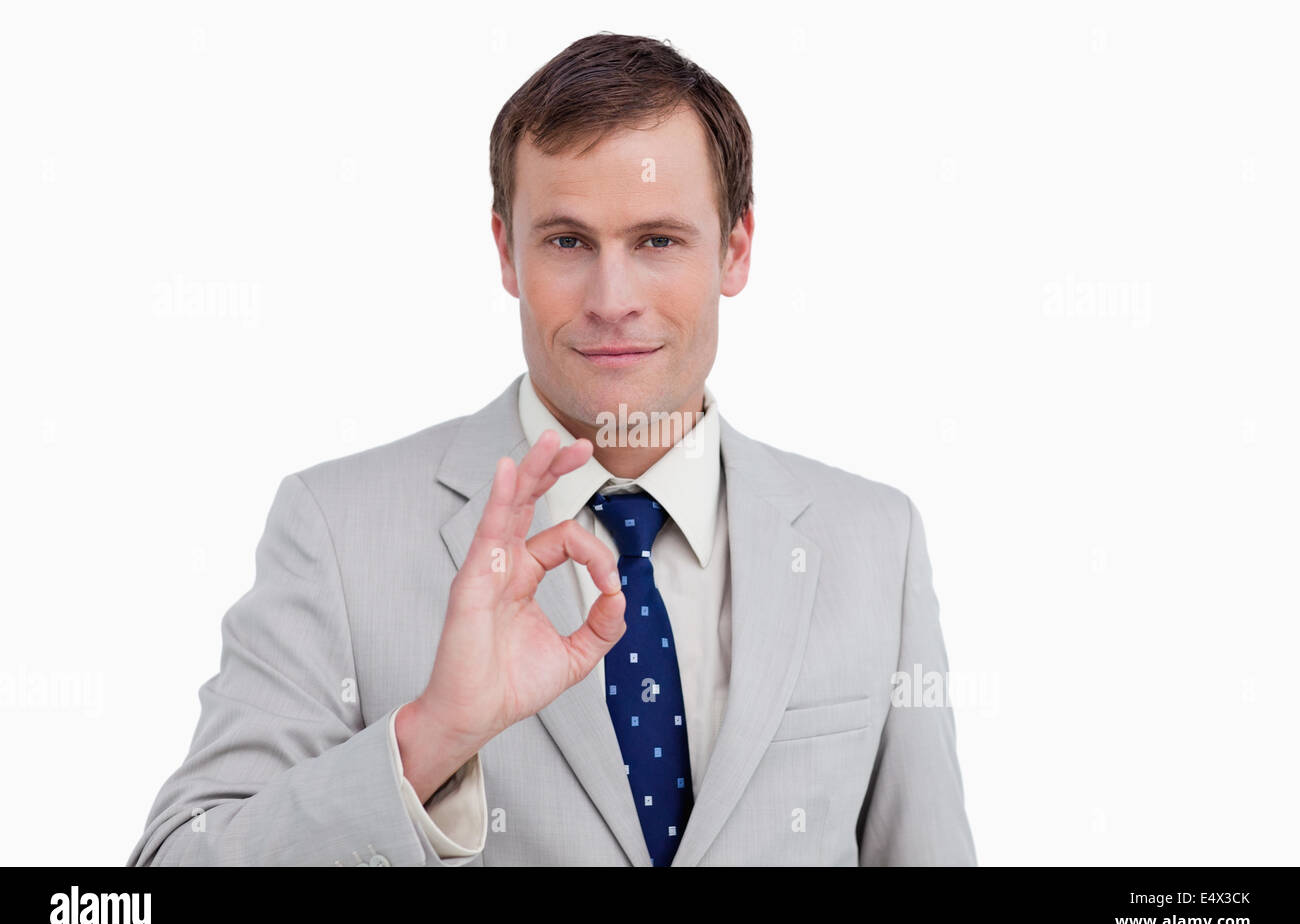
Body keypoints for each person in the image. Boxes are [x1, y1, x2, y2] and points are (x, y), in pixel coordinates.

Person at [128, 31, 976, 867]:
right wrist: (428, 741)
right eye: (568, 241)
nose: (613, 300)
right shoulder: (338, 533)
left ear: (737, 249)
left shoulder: (875, 542)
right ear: (506, 252)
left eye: (658, 241)